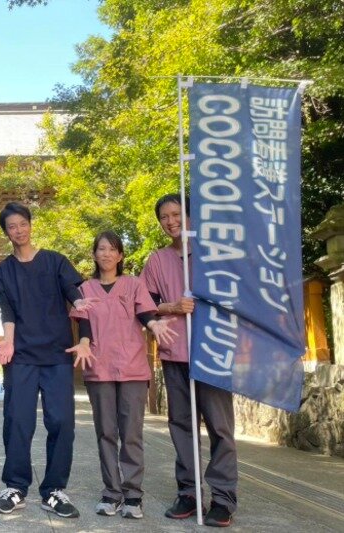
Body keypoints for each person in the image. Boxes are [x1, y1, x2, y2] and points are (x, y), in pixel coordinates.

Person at [0, 202, 96, 519]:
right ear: (6, 232)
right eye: (12, 226)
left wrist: (79, 304)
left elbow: (73, 293)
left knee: (61, 422)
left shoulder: (54, 261)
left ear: (30, 225)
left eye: (22, 224)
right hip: (21, 357)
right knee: (18, 421)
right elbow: (7, 311)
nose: (18, 230)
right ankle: (15, 487)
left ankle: (54, 490)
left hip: (57, 355)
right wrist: (8, 340)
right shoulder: (2, 271)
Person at [140, 194, 238, 527]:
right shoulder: (157, 260)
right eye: (164, 217)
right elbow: (144, 304)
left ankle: (223, 498)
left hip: (212, 352)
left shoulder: (215, 254)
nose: (171, 222)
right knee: (182, 425)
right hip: (175, 352)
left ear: (191, 216)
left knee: (220, 427)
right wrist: (172, 307)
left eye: (176, 214)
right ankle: (189, 492)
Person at [68, 230, 176, 520]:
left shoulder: (133, 284)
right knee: (105, 432)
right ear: (94, 254)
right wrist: (84, 342)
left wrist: (154, 325)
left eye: (112, 249)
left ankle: (133, 494)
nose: (106, 254)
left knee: (131, 434)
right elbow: (84, 324)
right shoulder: (85, 288)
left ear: (120, 255)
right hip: (99, 366)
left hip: (132, 368)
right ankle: (111, 492)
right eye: (101, 249)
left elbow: (145, 314)